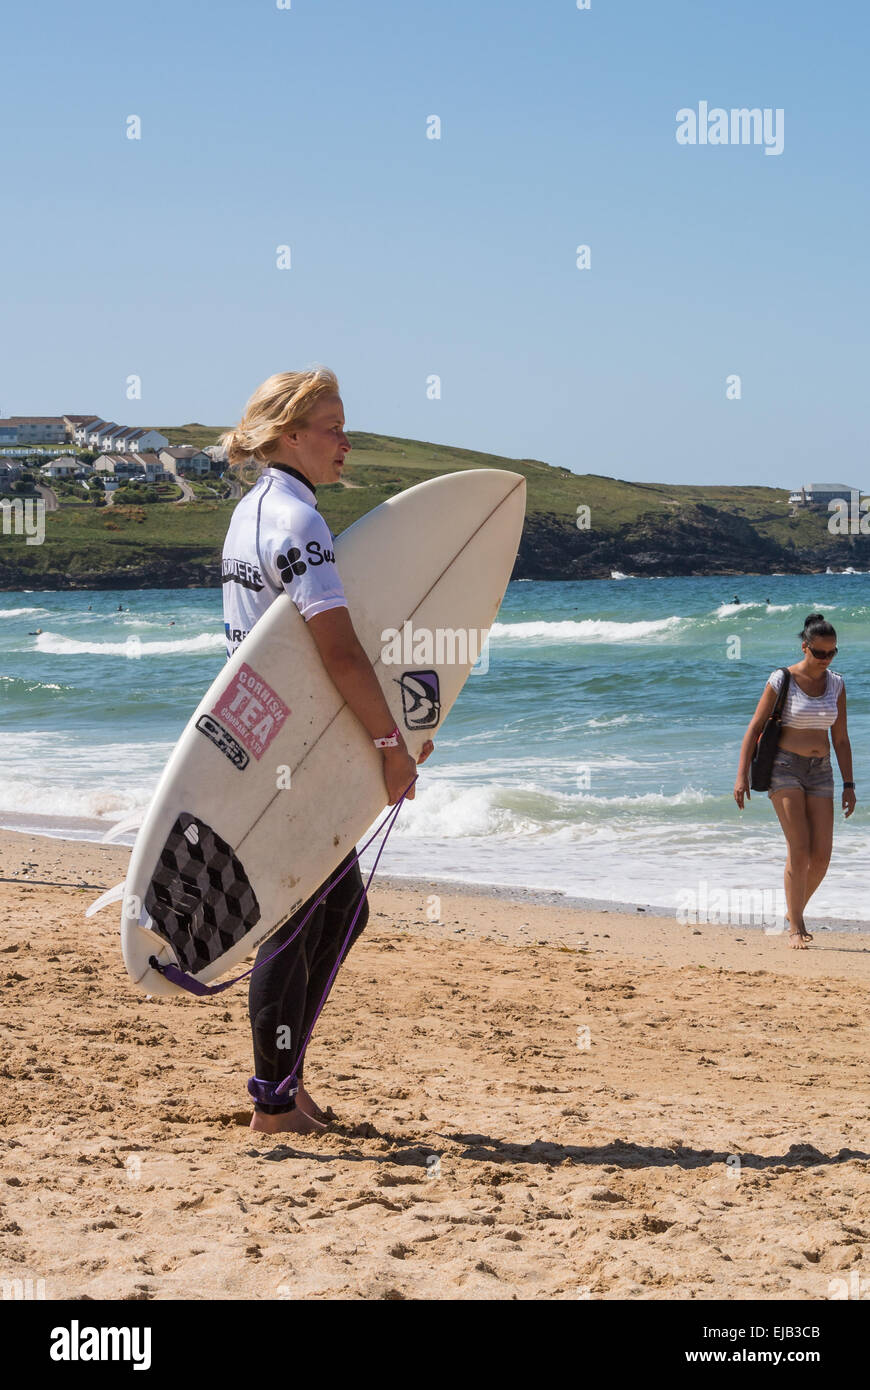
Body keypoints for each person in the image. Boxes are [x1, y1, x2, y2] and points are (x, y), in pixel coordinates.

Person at [219, 368, 433, 1134]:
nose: (346, 442)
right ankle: (274, 1103)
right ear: (286, 436)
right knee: (299, 917)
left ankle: (288, 1083)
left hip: (265, 740)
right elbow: (338, 654)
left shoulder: (250, 515)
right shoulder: (300, 523)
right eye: (333, 427)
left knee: (337, 904)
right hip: (295, 754)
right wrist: (389, 744)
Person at [734, 614, 855, 948]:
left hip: (821, 769)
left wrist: (850, 784)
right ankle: (796, 927)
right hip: (784, 767)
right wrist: (741, 775)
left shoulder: (837, 683)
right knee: (799, 850)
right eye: (819, 653)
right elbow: (755, 728)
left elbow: (841, 739)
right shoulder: (781, 679)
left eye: (831, 653)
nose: (825, 660)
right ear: (805, 647)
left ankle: (793, 910)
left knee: (822, 856)